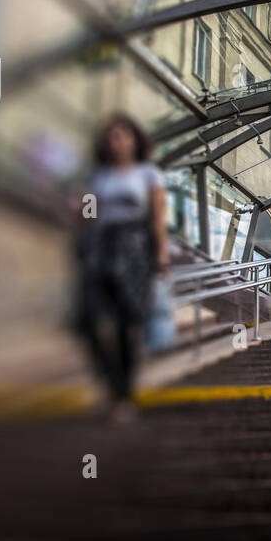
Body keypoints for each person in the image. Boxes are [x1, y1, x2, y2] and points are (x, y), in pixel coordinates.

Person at [73, 114, 170, 424]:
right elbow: (88, 214)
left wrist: (162, 254)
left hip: (134, 247)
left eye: (122, 135)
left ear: (134, 139)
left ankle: (123, 396)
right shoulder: (99, 177)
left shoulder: (148, 174)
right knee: (88, 319)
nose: (116, 141)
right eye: (111, 137)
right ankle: (113, 385)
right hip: (101, 245)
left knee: (129, 322)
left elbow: (156, 217)